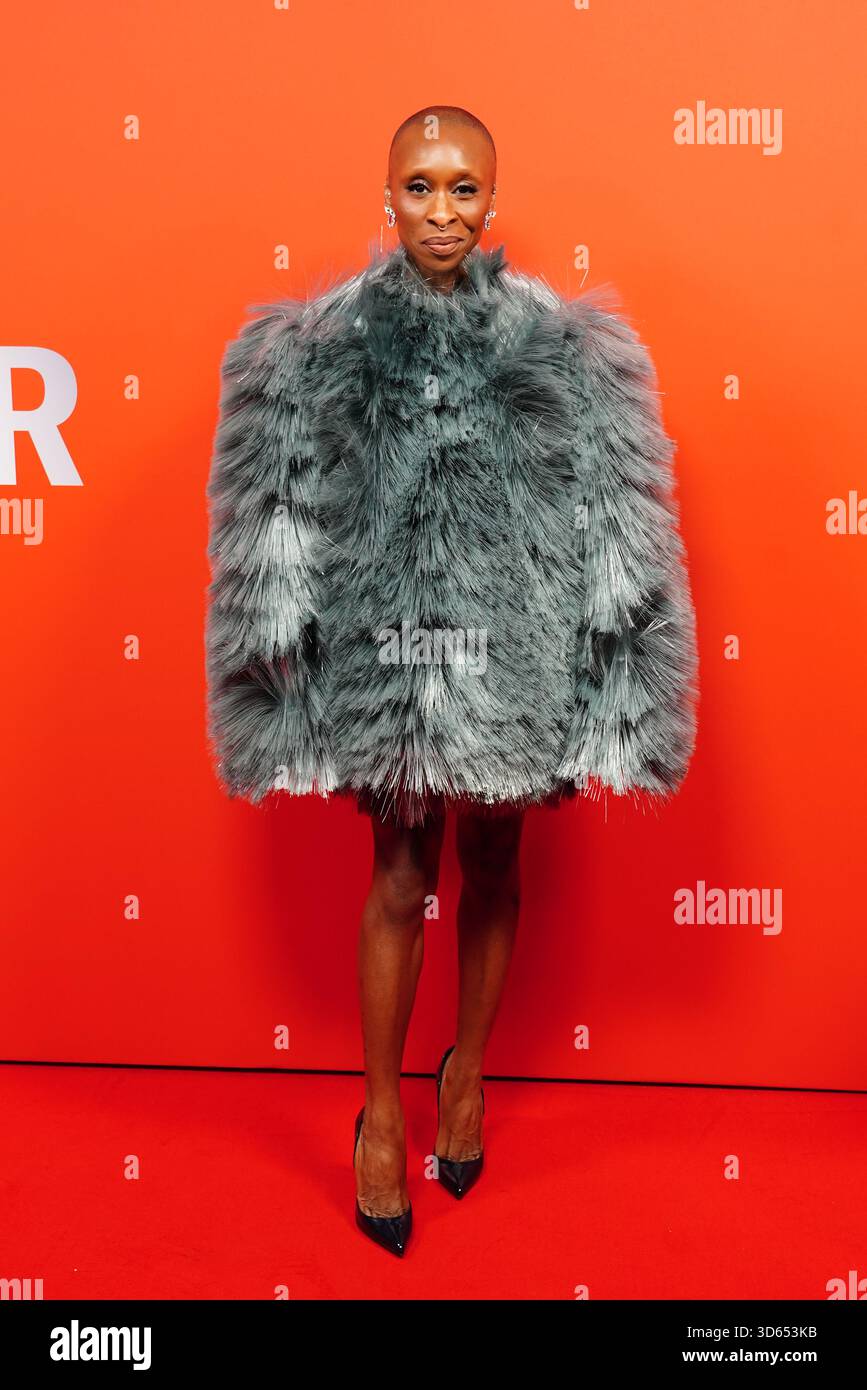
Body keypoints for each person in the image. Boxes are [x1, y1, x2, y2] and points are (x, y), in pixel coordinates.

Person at [204, 105, 699, 1257]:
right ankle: (383, 1115)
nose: (442, 211)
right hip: (386, 663)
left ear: (491, 196)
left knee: (495, 860)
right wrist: (290, 686)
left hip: (513, 660)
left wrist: (609, 687)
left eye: (463, 188)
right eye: (420, 187)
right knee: (397, 873)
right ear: (386, 195)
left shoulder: (563, 344)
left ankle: (465, 1073)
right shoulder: (312, 345)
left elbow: (619, 521)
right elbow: (270, 529)